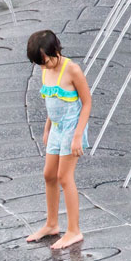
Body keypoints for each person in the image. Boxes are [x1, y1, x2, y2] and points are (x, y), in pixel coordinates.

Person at [25, 28, 91, 248]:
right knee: (49, 175)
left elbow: (87, 103)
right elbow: (52, 101)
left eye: (45, 61)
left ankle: (74, 231)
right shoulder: (46, 69)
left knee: (64, 177)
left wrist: (78, 135)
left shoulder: (72, 70)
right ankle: (52, 224)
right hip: (55, 128)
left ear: (55, 50)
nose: (43, 67)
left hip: (72, 128)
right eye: (39, 63)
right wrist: (47, 128)